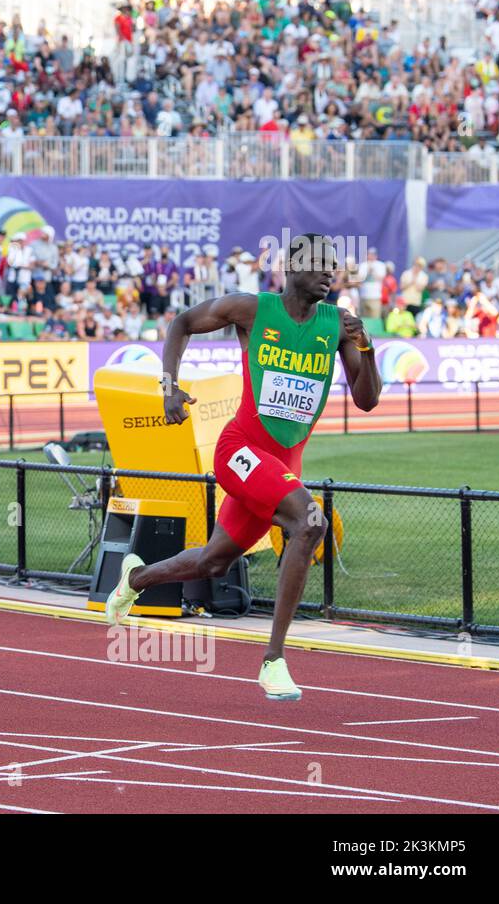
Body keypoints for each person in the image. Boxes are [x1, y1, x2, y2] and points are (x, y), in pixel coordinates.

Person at [105, 234, 381, 701]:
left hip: (282, 464)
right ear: (291, 266)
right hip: (240, 451)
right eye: (319, 264)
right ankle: (273, 661)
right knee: (309, 522)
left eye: (335, 267)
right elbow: (182, 323)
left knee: (214, 563)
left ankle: (135, 578)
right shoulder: (252, 309)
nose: (330, 273)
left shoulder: (338, 326)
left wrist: (367, 348)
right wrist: (169, 385)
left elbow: (367, 400)